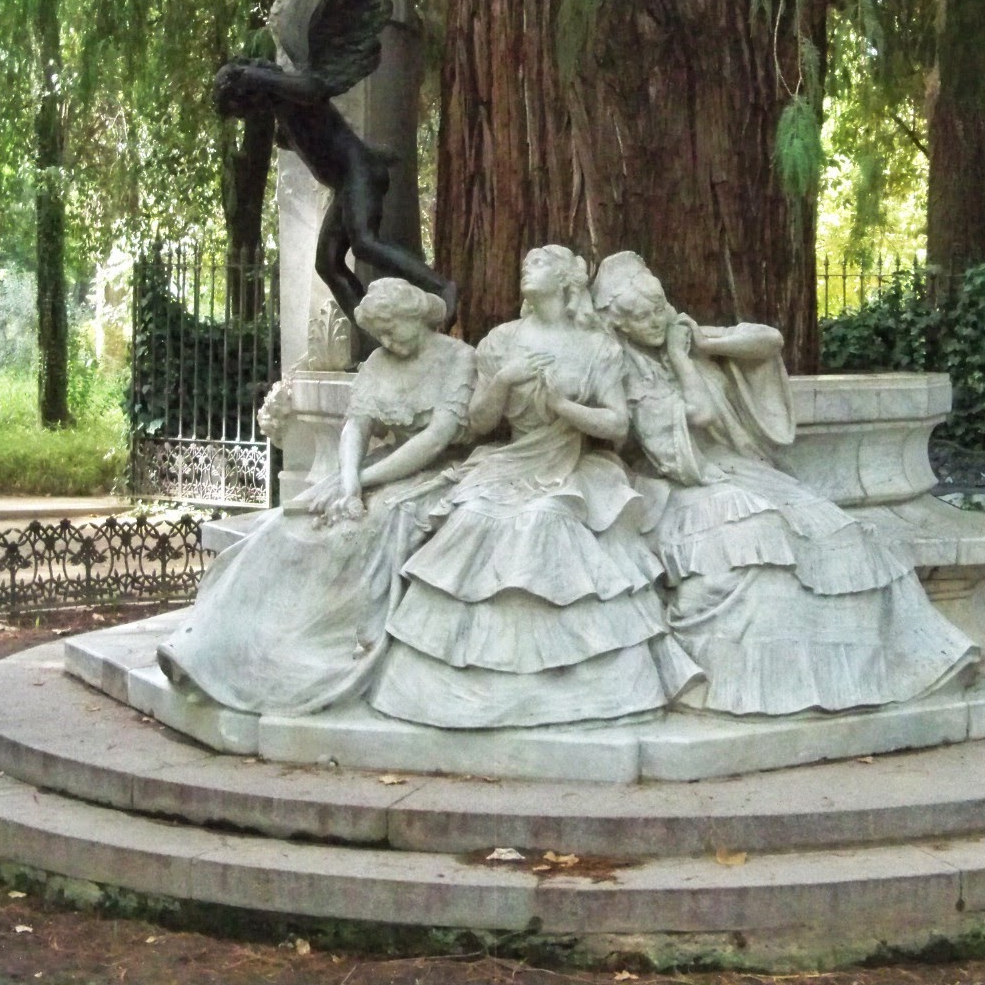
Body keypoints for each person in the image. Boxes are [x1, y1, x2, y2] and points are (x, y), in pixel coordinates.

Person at [591, 251, 978, 716]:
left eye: (659, 308)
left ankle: (872, 673)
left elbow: (768, 340)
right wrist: (680, 358)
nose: (656, 321)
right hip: (679, 486)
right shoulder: (624, 372)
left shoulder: (687, 338)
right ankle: (761, 685)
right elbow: (699, 416)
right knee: (759, 540)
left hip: (737, 471)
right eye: (642, 316)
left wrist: (706, 343)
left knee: (842, 532)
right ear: (620, 325)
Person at [366, 246, 701, 728]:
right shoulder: (501, 342)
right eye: (526, 263)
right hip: (510, 461)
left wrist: (564, 407)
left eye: (540, 263)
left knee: (545, 520)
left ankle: (559, 686)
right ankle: (465, 684)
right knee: (473, 517)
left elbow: (616, 425)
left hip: (569, 464)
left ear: (567, 281)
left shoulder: (598, 347)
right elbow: (480, 423)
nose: (527, 266)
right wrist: (503, 380)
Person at [156, 278, 474, 715]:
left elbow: (435, 439)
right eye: (379, 334)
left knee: (362, 531)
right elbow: (355, 426)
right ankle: (226, 645)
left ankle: (313, 650)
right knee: (286, 527)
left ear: (415, 317)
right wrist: (348, 480)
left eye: (391, 330)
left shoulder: (457, 359)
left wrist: (363, 482)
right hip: (371, 469)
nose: (386, 341)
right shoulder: (378, 362)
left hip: (432, 471)